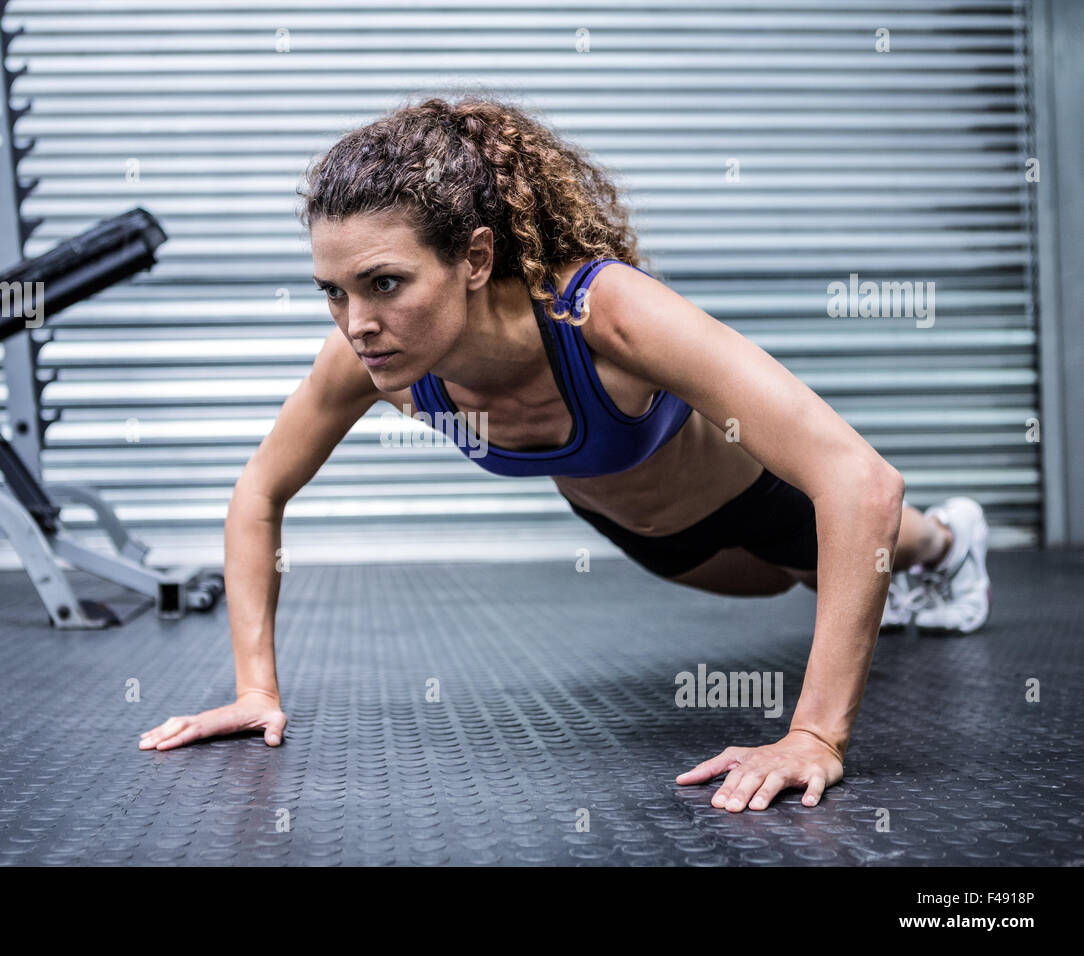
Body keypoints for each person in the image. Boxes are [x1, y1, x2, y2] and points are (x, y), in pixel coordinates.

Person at [139, 95, 992, 813]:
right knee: (794, 585)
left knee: (877, 542)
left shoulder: (606, 314)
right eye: (335, 291)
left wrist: (813, 736)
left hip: (762, 497)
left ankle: (953, 544)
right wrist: (257, 690)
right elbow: (258, 494)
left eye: (385, 282)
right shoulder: (372, 360)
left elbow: (859, 478)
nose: (357, 321)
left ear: (474, 257)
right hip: (655, 543)